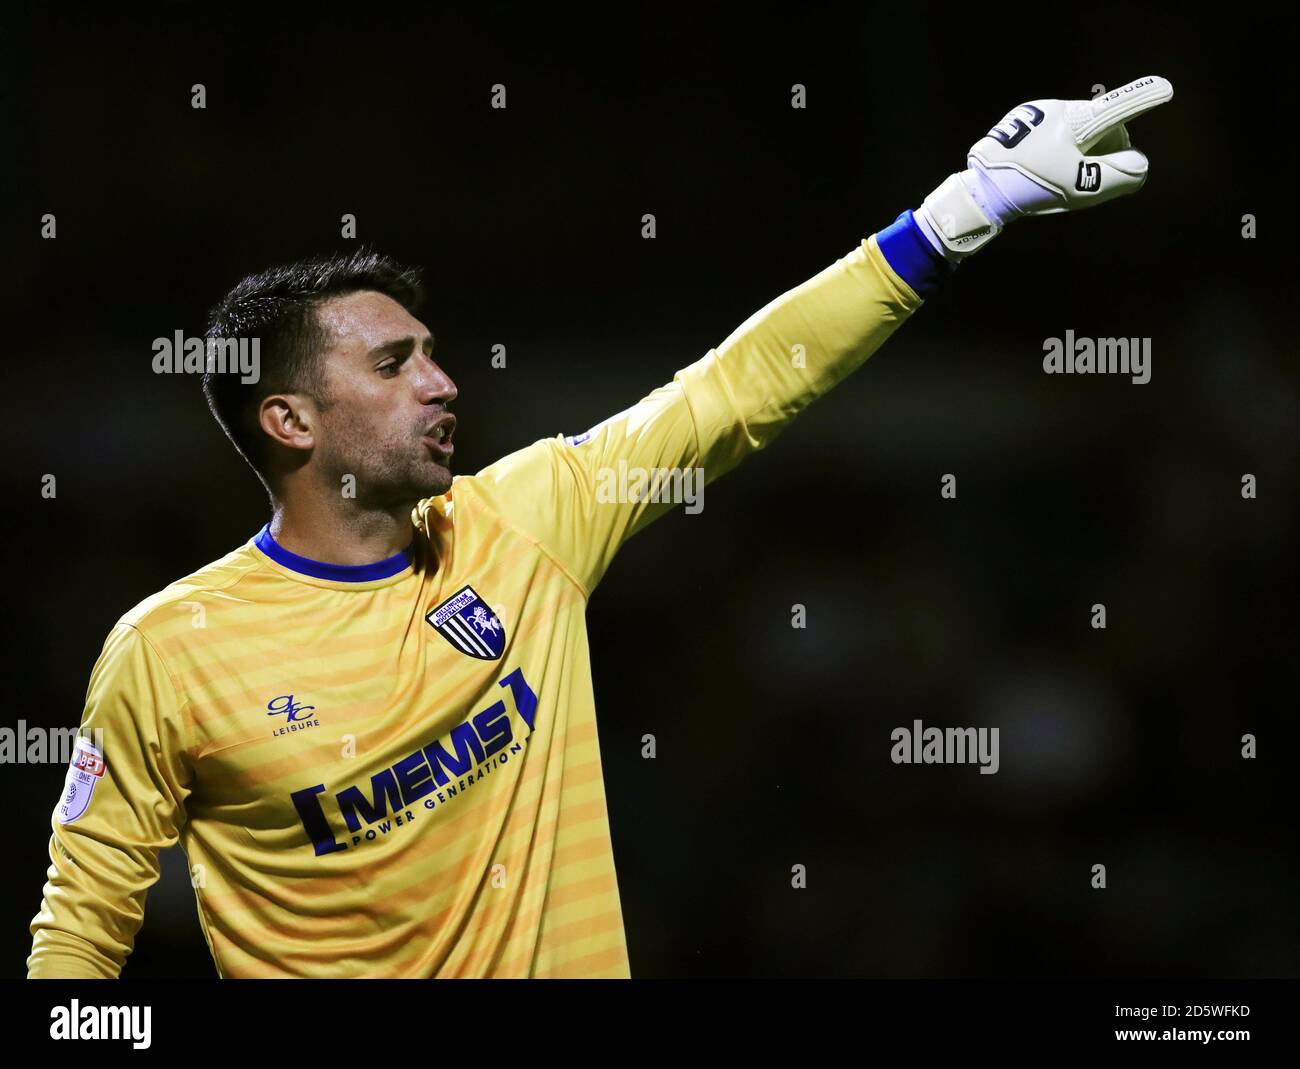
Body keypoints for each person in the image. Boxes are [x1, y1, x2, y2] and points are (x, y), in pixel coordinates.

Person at [28, 76, 1172, 978]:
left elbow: (731, 390)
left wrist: (962, 210)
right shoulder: (170, 650)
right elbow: (82, 923)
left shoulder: (526, 519)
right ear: (290, 419)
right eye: (393, 363)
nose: (440, 382)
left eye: (431, 352)